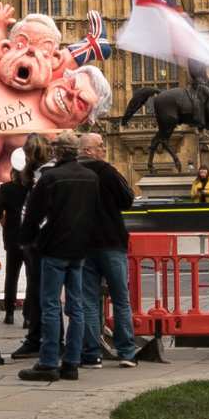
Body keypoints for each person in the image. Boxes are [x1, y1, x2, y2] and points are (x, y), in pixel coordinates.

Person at [17, 131, 101, 382]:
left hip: (54, 248)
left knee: (51, 305)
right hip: (80, 248)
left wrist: (26, 239)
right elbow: (95, 213)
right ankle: (72, 363)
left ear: (57, 151)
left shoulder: (51, 178)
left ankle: (48, 362)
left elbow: (33, 214)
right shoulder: (91, 177)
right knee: (76, 306)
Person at [78, 132, 136, 369]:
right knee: (121, 299)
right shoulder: (108, 172)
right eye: (100, 146)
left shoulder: (74, 173)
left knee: (89, 301)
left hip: (84, 244)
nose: (104, 149)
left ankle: (92, 354)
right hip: (111, 242)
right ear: (88, 150)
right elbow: (128, 199)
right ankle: (127, 352)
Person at [12, 134, 51, 357]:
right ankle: (42, 338)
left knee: (41, 292)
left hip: (40, 241)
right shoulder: (36, 175)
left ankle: (40, 340)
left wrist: (28, 238)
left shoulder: (43, 175)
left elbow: (38, 212)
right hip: (36, 241)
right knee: (40, 291)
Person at [0, 150, 32, 323]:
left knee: (11, 276)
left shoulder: (6, 189)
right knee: (31, 277)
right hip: (31, 239)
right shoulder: (34, 188)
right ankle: (28, 316)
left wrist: (2, 219)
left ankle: (9, 313)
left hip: (13, 238)